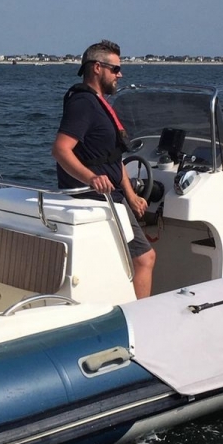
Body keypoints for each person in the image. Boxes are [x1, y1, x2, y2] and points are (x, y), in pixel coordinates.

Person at [52, 40, 156, 299]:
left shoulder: (98, 104)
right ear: (97, 68)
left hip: (114, 196)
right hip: (99, 197)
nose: (120, 75)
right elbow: (61, 149)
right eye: (115, 69)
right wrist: (92, 178)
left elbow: (111, 157)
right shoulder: (84, 104)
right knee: (145, 258)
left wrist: (131, 195)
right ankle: (141, 315)